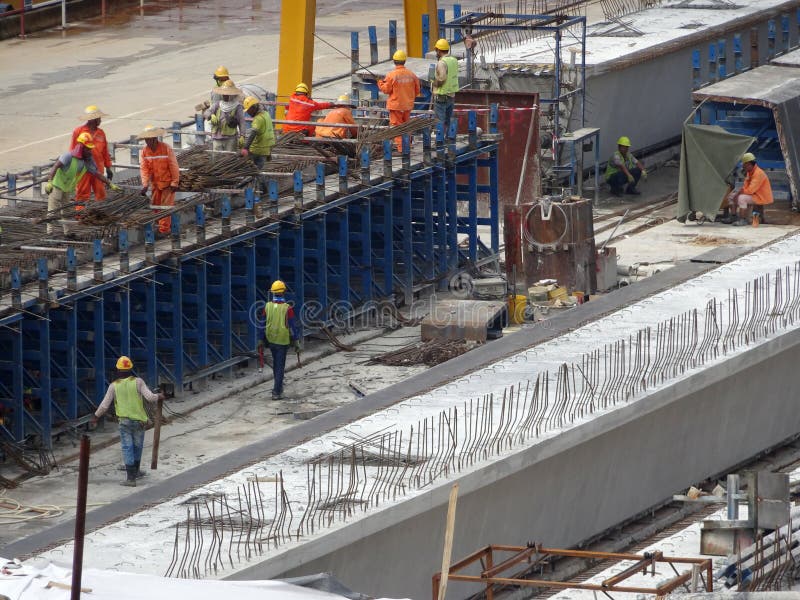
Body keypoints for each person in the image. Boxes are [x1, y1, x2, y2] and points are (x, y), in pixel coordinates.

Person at [91, 356, 165, 487]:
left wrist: (96, 416)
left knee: (127, 448)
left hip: (124, 422)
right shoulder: (138, 382)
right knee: (137, 446)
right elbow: (150, 397)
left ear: (118, 371)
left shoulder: (113, 386)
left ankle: (131, 478)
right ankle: (136, 472)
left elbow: (104, 405)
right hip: (139, 421)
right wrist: (159, 396)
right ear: (131, 369)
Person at [44, 132, 119, 235]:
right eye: (88, 148)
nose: (89, 151)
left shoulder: (87, 160)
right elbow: (55, 167)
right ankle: (50, 233)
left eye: (90, 148)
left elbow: (97, 173)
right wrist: (49, 182)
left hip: (67, 188)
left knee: (66, 211)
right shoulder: (68, 156)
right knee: (53, 210)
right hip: (56, 186)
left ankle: (68, 232)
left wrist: (109, 183)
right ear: (81, 147)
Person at [139, 125, 180, 235]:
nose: (147, 142)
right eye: (146, 139)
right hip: (155, 185)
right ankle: (160, 228)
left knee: (165, 208)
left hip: (167, 184)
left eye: (149, 139)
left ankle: (164, 231)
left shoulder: (166, 148)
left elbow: (173, 166)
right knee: (156, 207)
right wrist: (145, 184)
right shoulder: (144, 152)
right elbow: (144, 169)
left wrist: (175, 182)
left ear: (154, 138)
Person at [71, 105, 114, 210]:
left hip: (98, 169)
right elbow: (73, 150)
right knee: (82, 193)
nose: (100, 120)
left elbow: (105, 151)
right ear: (93, 119)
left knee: (100, 193)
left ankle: (100, 214)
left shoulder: (101, 133)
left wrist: (108, 167)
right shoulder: (79, 131)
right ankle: (80, 216)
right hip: (83, 169)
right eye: (99, 118)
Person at [263, 280, 300, 400]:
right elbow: (292, 326)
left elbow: (262, 323)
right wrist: (296, 340)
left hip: (271, 339)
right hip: (282, 341)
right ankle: (276, 392)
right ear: (283, 292)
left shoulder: (267, 306)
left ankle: (278, 387)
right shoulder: (287, 308)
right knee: (280, 367)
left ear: (272, 292)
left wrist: (260, 339)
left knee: (276, 365)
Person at [378, 50, 420, 150]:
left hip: (396, 106)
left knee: (397, 127)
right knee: (406, 126)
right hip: (407, 105)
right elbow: (417, 90)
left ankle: (401, 149)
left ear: (394, 61)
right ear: (404, 61)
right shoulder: (412, 74)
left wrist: (380, 83)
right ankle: (407, 146)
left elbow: (386, 90)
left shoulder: (391, 75)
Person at [726, 152, 773, 226]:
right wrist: (737, 194)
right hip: (753, 194)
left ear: (748, 164)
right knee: (731, 196)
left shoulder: (758, 173)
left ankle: (743, 220)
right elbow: (745, 186)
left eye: (744, 165)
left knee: (741, 198)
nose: (743, 167)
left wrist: (738, 194)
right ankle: (733, 216)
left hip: (760, 196)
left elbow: (750, 190)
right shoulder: (750, 171)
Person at [204, 80, 246, 152]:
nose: (225, 96)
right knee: (217, 158)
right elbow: (206, 112)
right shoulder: (218, 104)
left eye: (227, 94)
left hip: (230, 138)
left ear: (232, 95)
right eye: (224, 94)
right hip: (217, 137)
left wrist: (242, 135)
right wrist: (211, 115)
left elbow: (242, 122)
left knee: (229, 158)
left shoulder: (237, 107)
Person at [432, 38, 459, 136]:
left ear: (439, 50)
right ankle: (449, 139)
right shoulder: (454, 60)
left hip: (441, 95)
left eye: (436, 50)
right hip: (451, 95)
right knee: (448, 120)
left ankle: (440, 142)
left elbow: (442, 78)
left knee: (439, 121)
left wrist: (434, 83)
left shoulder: (442, 62)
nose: (436, 53)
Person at [241, 96, 276, 168]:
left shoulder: (258, 119)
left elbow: (253, 134)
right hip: (266, 149)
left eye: (248, 111)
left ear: (254, 108)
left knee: (251, 170)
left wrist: (245, 147)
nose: (248, 113)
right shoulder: (266, 114)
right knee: (259, 170)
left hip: (257, 150)